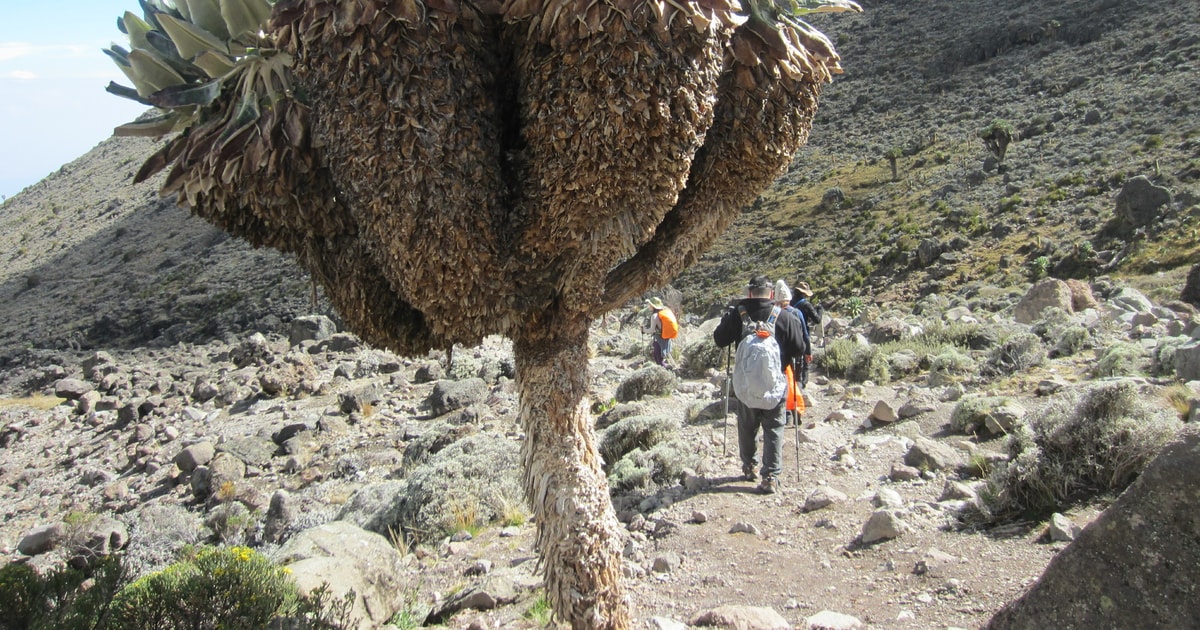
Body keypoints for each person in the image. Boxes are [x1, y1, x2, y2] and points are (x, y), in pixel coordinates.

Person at [713, 275, 807, 494]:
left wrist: (728, 318)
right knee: (774, 428)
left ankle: (749, 466)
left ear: (749, 293)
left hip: (746, 385)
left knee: (747, 426)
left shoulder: (738, 315)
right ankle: (771, 476)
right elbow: (799, 348)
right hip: (775, 384)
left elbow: (719, 339)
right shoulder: (783, 316)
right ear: (772, 294)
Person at [792, 281, 820, 385]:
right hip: (803, 333)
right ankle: (803, 381)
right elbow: (817, 320)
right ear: (804, 294)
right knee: (805, 359)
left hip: (791, 333)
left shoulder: (789, 302)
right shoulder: (806, 304)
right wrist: (819, 311)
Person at [644, 297, 678, 367]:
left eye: (650, 304)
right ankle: (671, 369)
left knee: (658, 360)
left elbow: (651, 330)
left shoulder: (654, 316)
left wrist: (643, 330)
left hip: (659, 340)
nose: (649, 306)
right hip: (666, 338)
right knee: (662, 358)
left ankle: (667, 371)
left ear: (653, 306)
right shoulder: (664, 313)